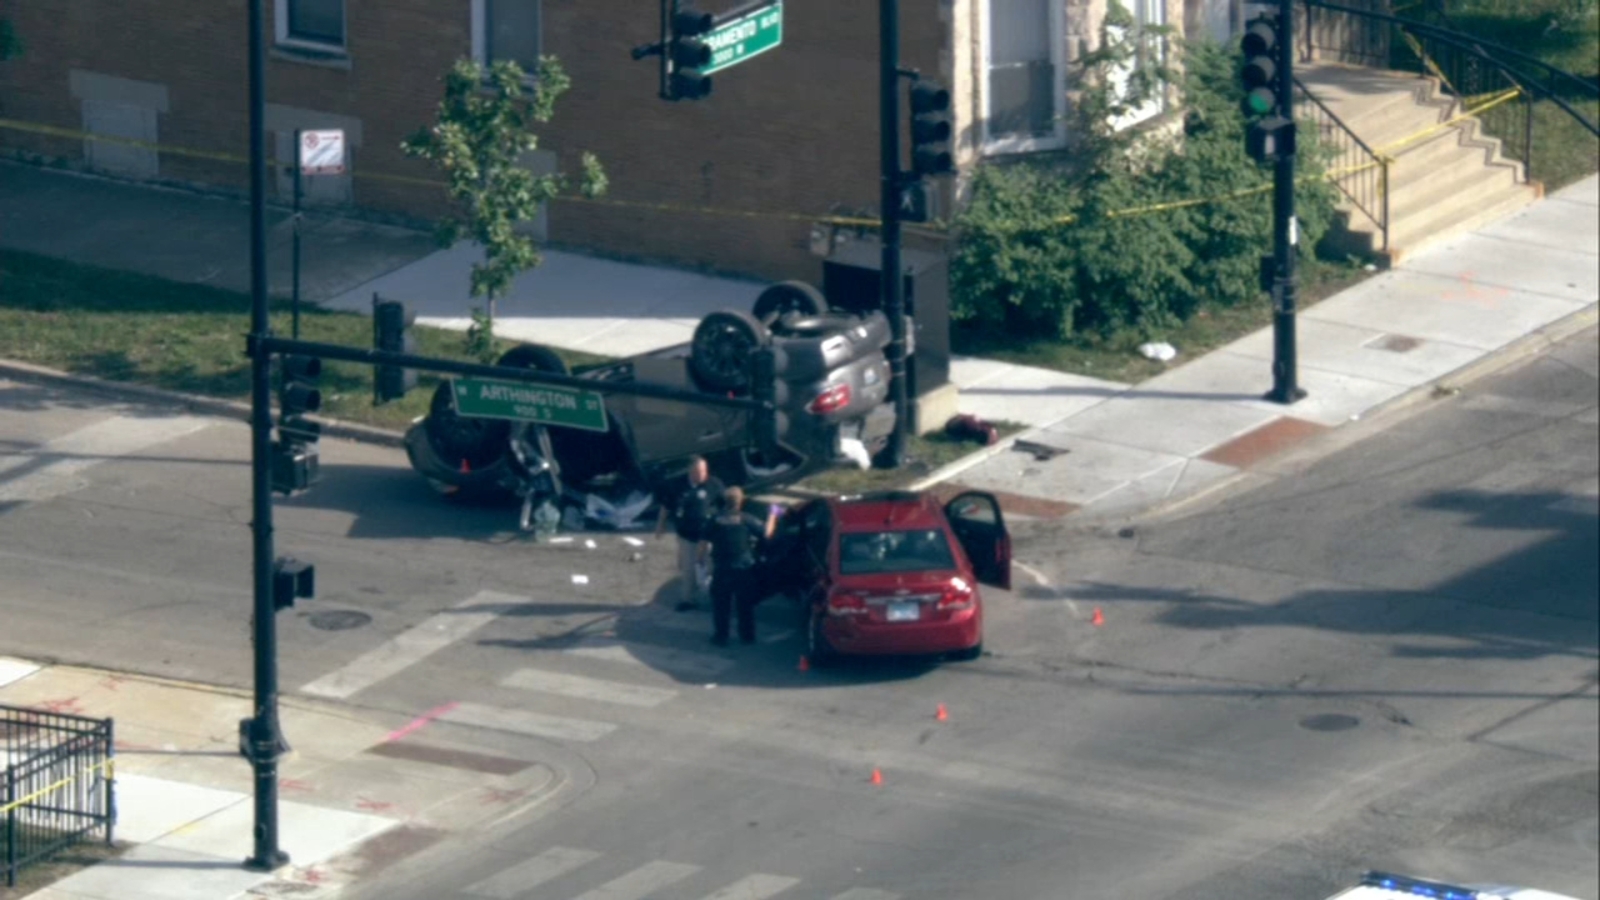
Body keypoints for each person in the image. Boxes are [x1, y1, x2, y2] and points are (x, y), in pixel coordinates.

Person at [704, 486, 778, 647]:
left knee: (721, 604)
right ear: (740, 502)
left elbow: (704, 537)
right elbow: (766, 533)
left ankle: (721, 636)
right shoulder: (746, 519)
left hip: (722, 567)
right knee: (744, 604)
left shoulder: (715, 520)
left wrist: (701, 561)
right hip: (742, 568)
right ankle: (747, 635)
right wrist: (773, 514)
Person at [654, 455, 724, 610]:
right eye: (699, 472)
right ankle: (688, 599)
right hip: (687, 536)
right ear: (690, 472)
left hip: (708, 536)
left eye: (704, 471)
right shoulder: (676, 485)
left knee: (713, 566)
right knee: (688, 568)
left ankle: (718, 597)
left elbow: (724, 507)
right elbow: (666, 506)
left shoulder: (714, 484)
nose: (702, 475)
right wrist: (661, 525)